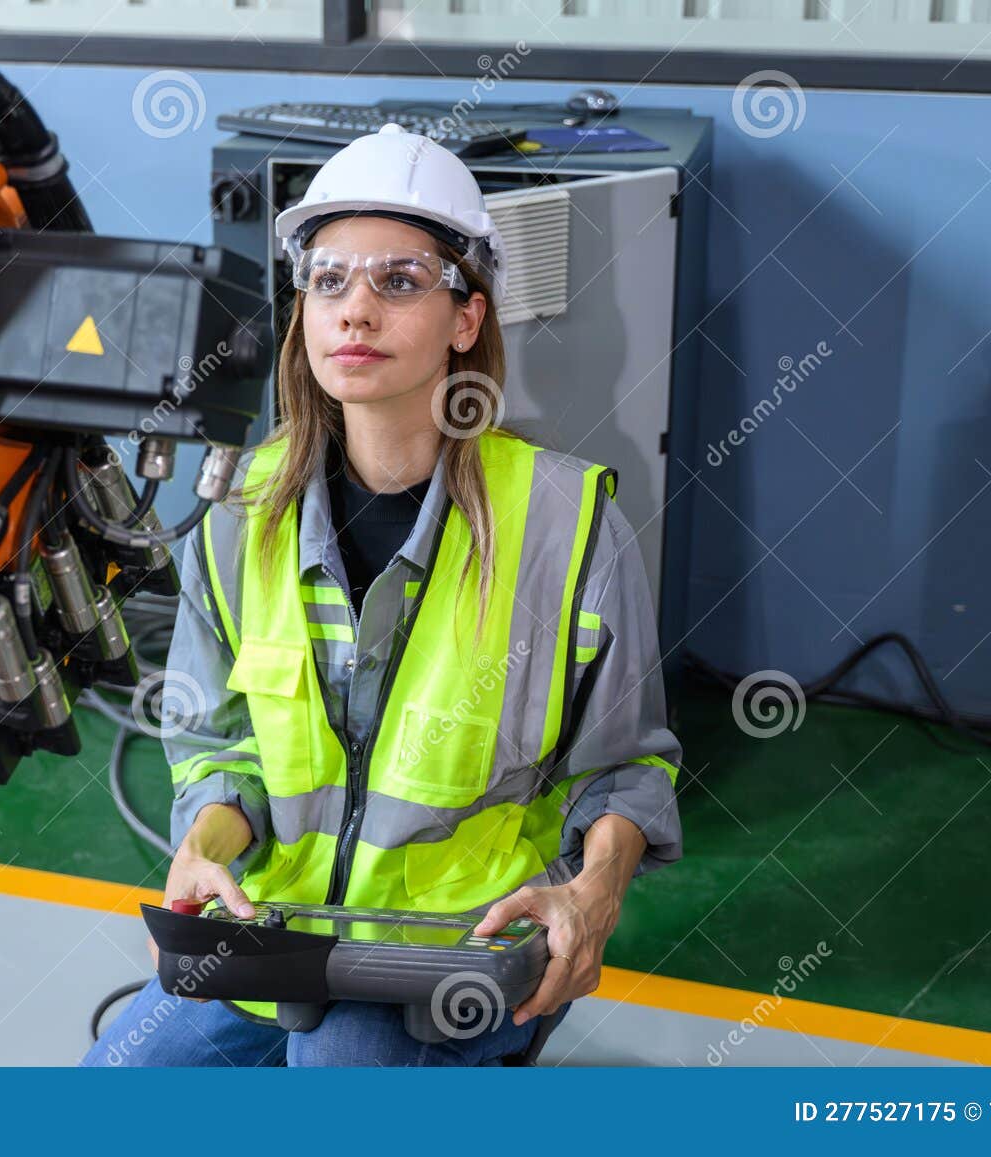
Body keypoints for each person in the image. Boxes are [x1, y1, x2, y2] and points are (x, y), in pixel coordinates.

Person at [84, 123, 682, 1067]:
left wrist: (593, 893)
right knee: (116, 1081)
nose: (354, 309)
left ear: (465, 320)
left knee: (340, 1071)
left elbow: (626, 768)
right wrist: (206, 840)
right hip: (281, 929)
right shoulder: (242, 507)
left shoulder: (568, 523)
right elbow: (220, 736)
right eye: (328, 280)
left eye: (398, 281)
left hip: (461, 948)